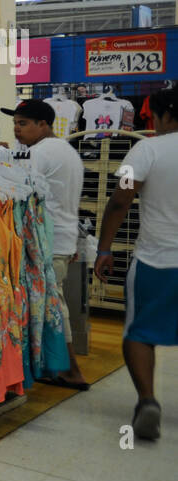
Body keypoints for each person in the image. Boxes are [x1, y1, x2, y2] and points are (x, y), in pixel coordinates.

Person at [94, 87, 178, 441]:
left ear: (162, 116)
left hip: (156, 259)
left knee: (139, 333)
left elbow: (120, 200)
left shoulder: (146, 149)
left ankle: (147, 401)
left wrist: (104, 249)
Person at [0, 98, 88, 389]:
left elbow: (18, 189)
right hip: (64, 237)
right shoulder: (67, 151)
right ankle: (53, 365)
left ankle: (71, 370)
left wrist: (2, 161)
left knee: (54, 305)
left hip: (46, 240)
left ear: (43, 125)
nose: (16, 129)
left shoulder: (39, 153)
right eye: (15, 123)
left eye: (23, 123)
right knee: (52, 302)